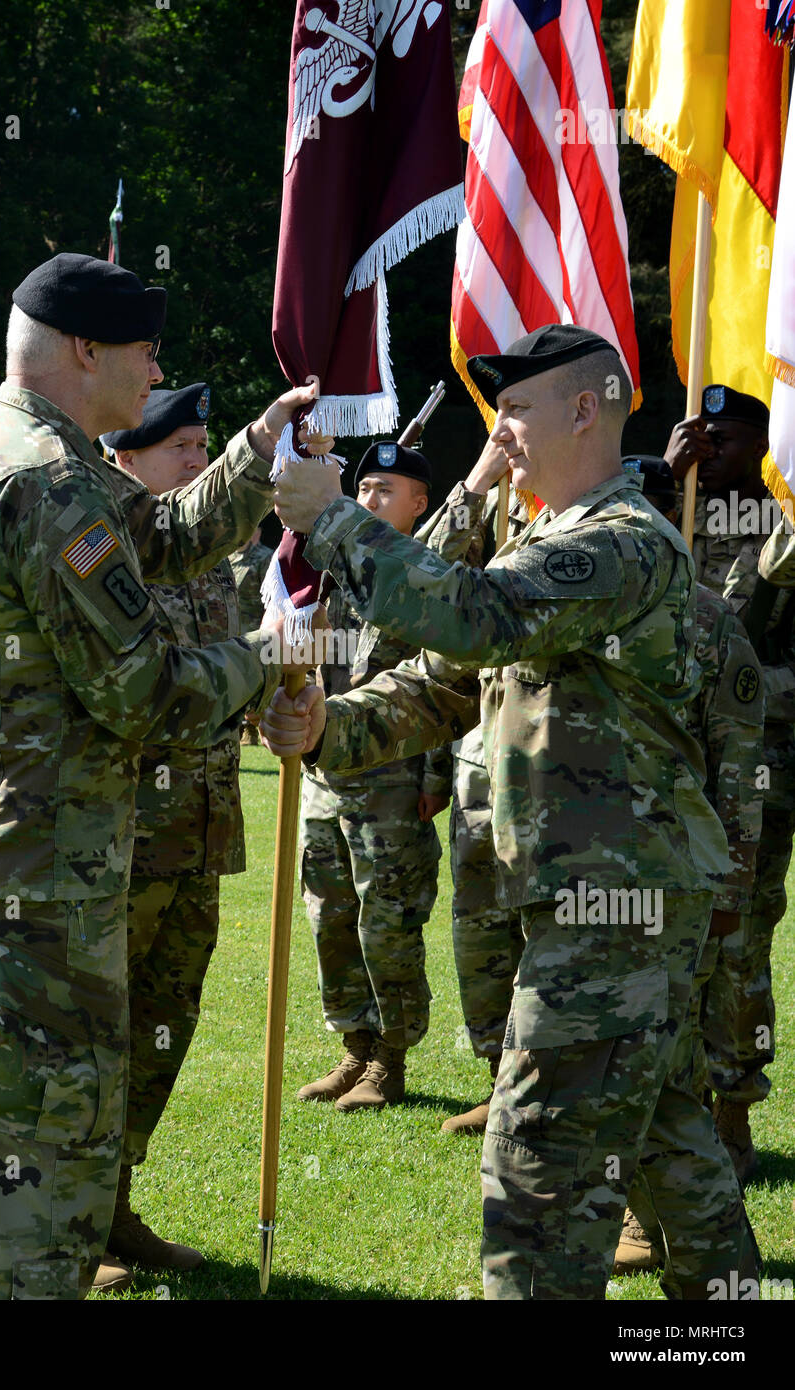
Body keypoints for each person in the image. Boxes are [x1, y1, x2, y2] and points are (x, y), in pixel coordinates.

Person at [261, 324, 760, 1300]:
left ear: (584, 409)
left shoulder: (620, 547)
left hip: (616, 903)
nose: (503, 431)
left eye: (518, 407)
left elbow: (472, 616)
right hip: (598, 897)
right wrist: (328, 727)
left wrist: (330, 521)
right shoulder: (546, 538)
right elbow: (451, 680)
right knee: (662, 1146)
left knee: (537, 1165)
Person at [0, 251, 322, 1301]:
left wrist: (260, 448)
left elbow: (161, 538)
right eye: (144, 348)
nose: (155, 365)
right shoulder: (45, 480)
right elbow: (148, 693)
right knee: (49, 1182)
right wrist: (265, 652)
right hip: (31, 883)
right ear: (85, 348)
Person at [92, 382, 248, 1289]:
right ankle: (61, 1225)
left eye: (203, 444)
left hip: (200, 832)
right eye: (183, 447)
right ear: (127, 456)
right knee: (96, 1033)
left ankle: (112, 1202)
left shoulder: (205, 553)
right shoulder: (104, 545)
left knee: (164, 1022)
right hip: (120, 841)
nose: (200, 461)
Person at [611, 456, 765, 1274]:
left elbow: (738, 771)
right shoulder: (580, 612)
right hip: (597, 891)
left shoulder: (709, 621)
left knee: (678, 1064)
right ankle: (652, 1224)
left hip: (688, 888)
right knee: (642, 1073)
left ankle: (699, 1243)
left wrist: (735, 886)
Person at [664, 387, 795, 1182]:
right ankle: (669, 1103)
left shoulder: (784, 529)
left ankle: (734, 1112)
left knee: (740, 939)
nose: (709, 449)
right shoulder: (667, 513)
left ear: (766, 443)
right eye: (699, 436)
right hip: (674, 768)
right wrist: (663, 477)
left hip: (758, 771)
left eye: (727, 437)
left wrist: (736, 688)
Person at [296, 442, 451, 1111]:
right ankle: (354, 1048)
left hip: (392, 778)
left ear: (419, 504)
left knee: (386, 920)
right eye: (363, 489)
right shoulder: (328, 569)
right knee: (330, 916)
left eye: (387, 489)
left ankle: (391, 1059)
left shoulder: (431, 577)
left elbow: (452, 679)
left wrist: (436, 774)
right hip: (324, 773)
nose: (370, 500)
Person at [411, 482, 529, 1134]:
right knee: (479, 936)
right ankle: (496, 1081)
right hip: (474, 778)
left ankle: (539, 1095)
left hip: (548, 787)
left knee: (542, 944)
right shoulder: (485, 526)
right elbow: (448, 668)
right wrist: (435, 767)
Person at [230, 528, 274, 744]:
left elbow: (272, 598)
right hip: (232, 632)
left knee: (253, 680)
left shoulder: (265, 557)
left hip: (255, 630)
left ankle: (251, 726)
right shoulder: (225, 558)